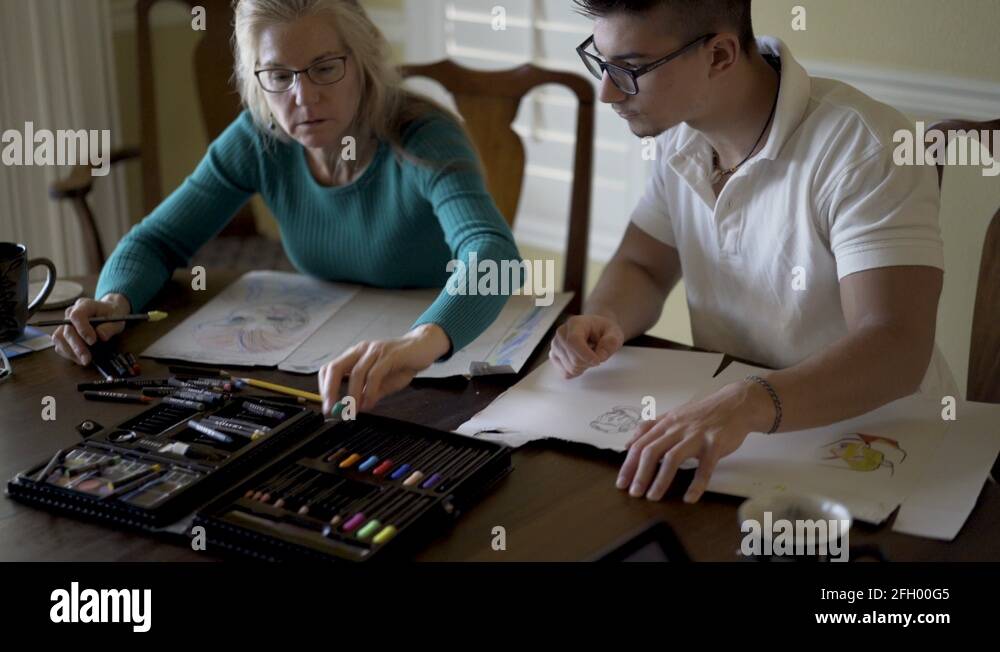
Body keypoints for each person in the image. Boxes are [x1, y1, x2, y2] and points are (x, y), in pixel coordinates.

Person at [552, 0, 954, 503]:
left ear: (719, 55)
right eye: (602, 62)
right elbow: (643, 266)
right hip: (746, 438)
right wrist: (605, 316)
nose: (608, 91)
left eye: (631, 70)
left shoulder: (866, 145)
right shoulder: (680, 132)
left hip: (886, 446)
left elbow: (895, 347)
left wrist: (749, 401)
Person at [52, 0, 521, 414]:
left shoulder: (423, 136)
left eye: (324, 68)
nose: (302, 97)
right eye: (279, 75)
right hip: (320, 369)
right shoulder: (260, 139)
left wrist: (421, 343)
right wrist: (115, 300)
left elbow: (493, 256)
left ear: (364, 59)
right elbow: (157, 240)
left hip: (442, 370)